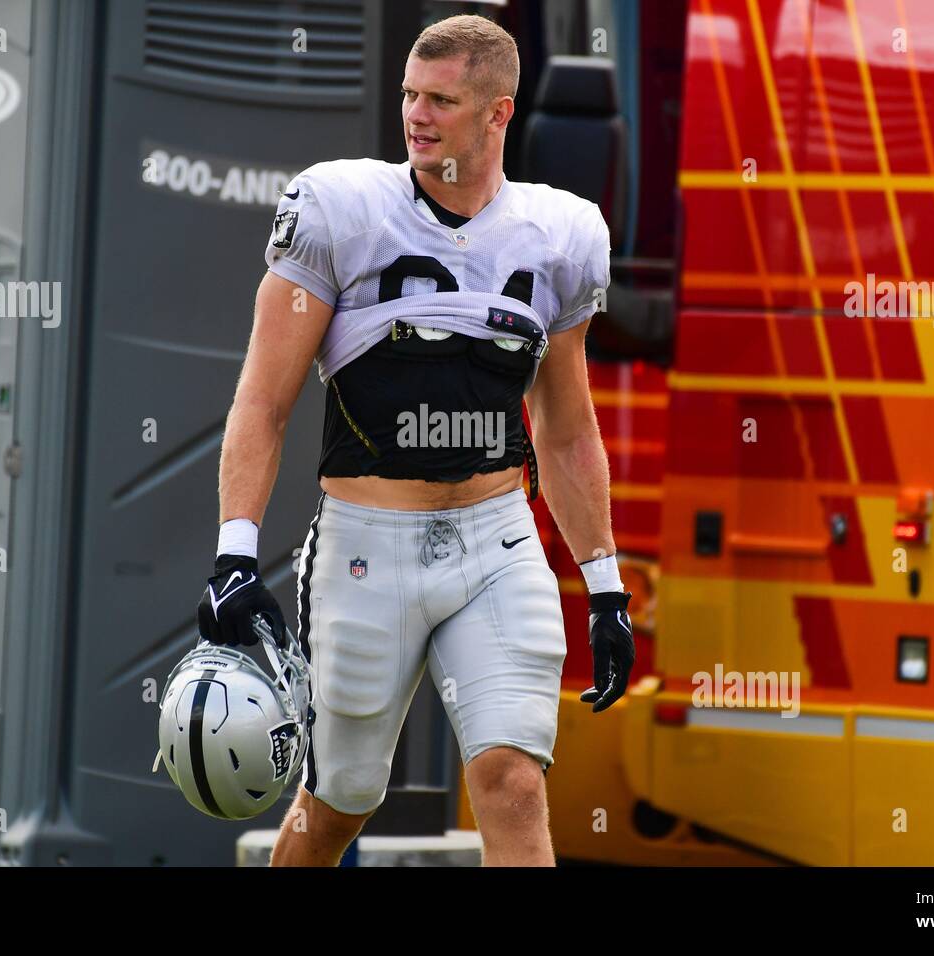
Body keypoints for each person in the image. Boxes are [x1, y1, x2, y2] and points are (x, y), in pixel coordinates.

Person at [196, 15, 633, 866]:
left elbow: (568, 427)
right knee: (338, 804)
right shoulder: (341, 209)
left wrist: (605, 581)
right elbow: (263, 398)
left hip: (497, 540)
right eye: (409, 95)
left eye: (441, 99)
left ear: (498, 113)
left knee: (511, 780)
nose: (417, 115)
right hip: (368, 544)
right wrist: (234, 552)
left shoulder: (560, 234)